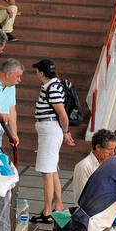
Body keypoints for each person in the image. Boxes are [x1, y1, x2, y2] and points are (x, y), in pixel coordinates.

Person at [33, 58, 74, 220]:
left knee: (47, 172)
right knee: (52, 169)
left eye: (37, 71)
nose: (36, 73)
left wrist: (66, 132)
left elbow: (63, 115)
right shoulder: (52, 85)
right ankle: (58, 206)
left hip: (50, 131)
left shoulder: (53, 88)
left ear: (42, 73)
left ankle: (47, 212)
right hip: (50, 131)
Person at [72, 129, 116, 201]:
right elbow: (84, 198)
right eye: (109, 149)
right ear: (98, 147)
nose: (112, 153)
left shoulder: (109, 163)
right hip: (91, 209)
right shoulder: (83, 167)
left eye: (113, 149)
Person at [0, 58, 24, 148]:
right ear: (8, 74)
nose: (20, 80)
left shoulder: (11, 86)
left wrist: (14, 134)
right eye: (18, 76)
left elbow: (12, 110)